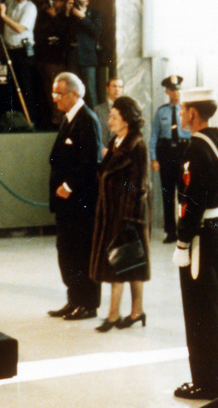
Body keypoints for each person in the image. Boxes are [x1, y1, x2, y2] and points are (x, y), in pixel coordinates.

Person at [172, 87, 218, 401]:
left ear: (194, 113)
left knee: (199, 310)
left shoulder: (196, 148)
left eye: (184, 109)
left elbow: (191, 200)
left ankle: (206, 382)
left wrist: (183, 242)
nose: (181, 114)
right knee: (216, 306)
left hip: (200, 236)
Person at [89, 96, 149, 332]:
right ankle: (137, 311)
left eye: (114, 116)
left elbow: (139, 186)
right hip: (111, 212)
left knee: (119, 263)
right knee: (132, 263)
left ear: (127, 120)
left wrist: (128, 218)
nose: (109, 120)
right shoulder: (116, 142)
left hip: (126, 216)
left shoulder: (137, 145)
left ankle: (113, 315)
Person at [47, 72, 102, 320]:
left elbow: (90, 162)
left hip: (80, 202)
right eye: (54, 93)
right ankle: (74, 299)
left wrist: (69, 186)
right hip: (66, 204)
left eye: (59, 94)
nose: (55, 98)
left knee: (81, 253)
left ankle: (88, 303)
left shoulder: (87, 120)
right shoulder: (69, 119)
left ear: (74, 93)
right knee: (67, 252)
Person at [149, 75, 191, 244]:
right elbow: (154, 136)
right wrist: (154, 158)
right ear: (167, 91)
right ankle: (170, 231)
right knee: (167, 194)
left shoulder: (187, 110)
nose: (176, 93)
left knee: (184, 193)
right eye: (173, 90)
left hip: (184, 153)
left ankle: (185, 228)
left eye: (178, 89)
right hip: (166, 154)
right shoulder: (161, 112)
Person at [0, 0, 38, 121]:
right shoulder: (13, 1)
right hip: (9, 50)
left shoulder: (30, 7)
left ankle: (29, 119)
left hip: (22, 51)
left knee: (25, 85)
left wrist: (3, 15)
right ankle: (10, 118)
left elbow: (20, 28)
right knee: (6, 85)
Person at [34, 0, 67, 129]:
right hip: (41, 59)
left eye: (56, 0)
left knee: (56, 92)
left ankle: (57, 121)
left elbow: (64, 32)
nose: (52, 3)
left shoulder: (63, 17)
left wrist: (53, 14)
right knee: (44, 92)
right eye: (50, 0)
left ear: (62, 2)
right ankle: (47, 120)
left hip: (55, 61)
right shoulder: (42, 15)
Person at [64, 0, 102, 108]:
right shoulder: (70, 14)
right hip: (73, 56)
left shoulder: (95, 14)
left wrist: (82, 17)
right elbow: (63, 31)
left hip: (88, 56)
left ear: (88, 2)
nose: (80, 4)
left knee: (90, 90)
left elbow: (97, 31)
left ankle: (95, 121)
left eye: (83, 2)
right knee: (73, 90)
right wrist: (66, 12)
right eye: (77, 1)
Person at [93, 77, 124, 156]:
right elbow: (94, 133)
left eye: (120, 87)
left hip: (121, 154)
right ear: (107, 88)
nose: (117, 90)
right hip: (102, 153)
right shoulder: (98, 110)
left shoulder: (126, 110)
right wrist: (102, 149)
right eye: (114, 86)